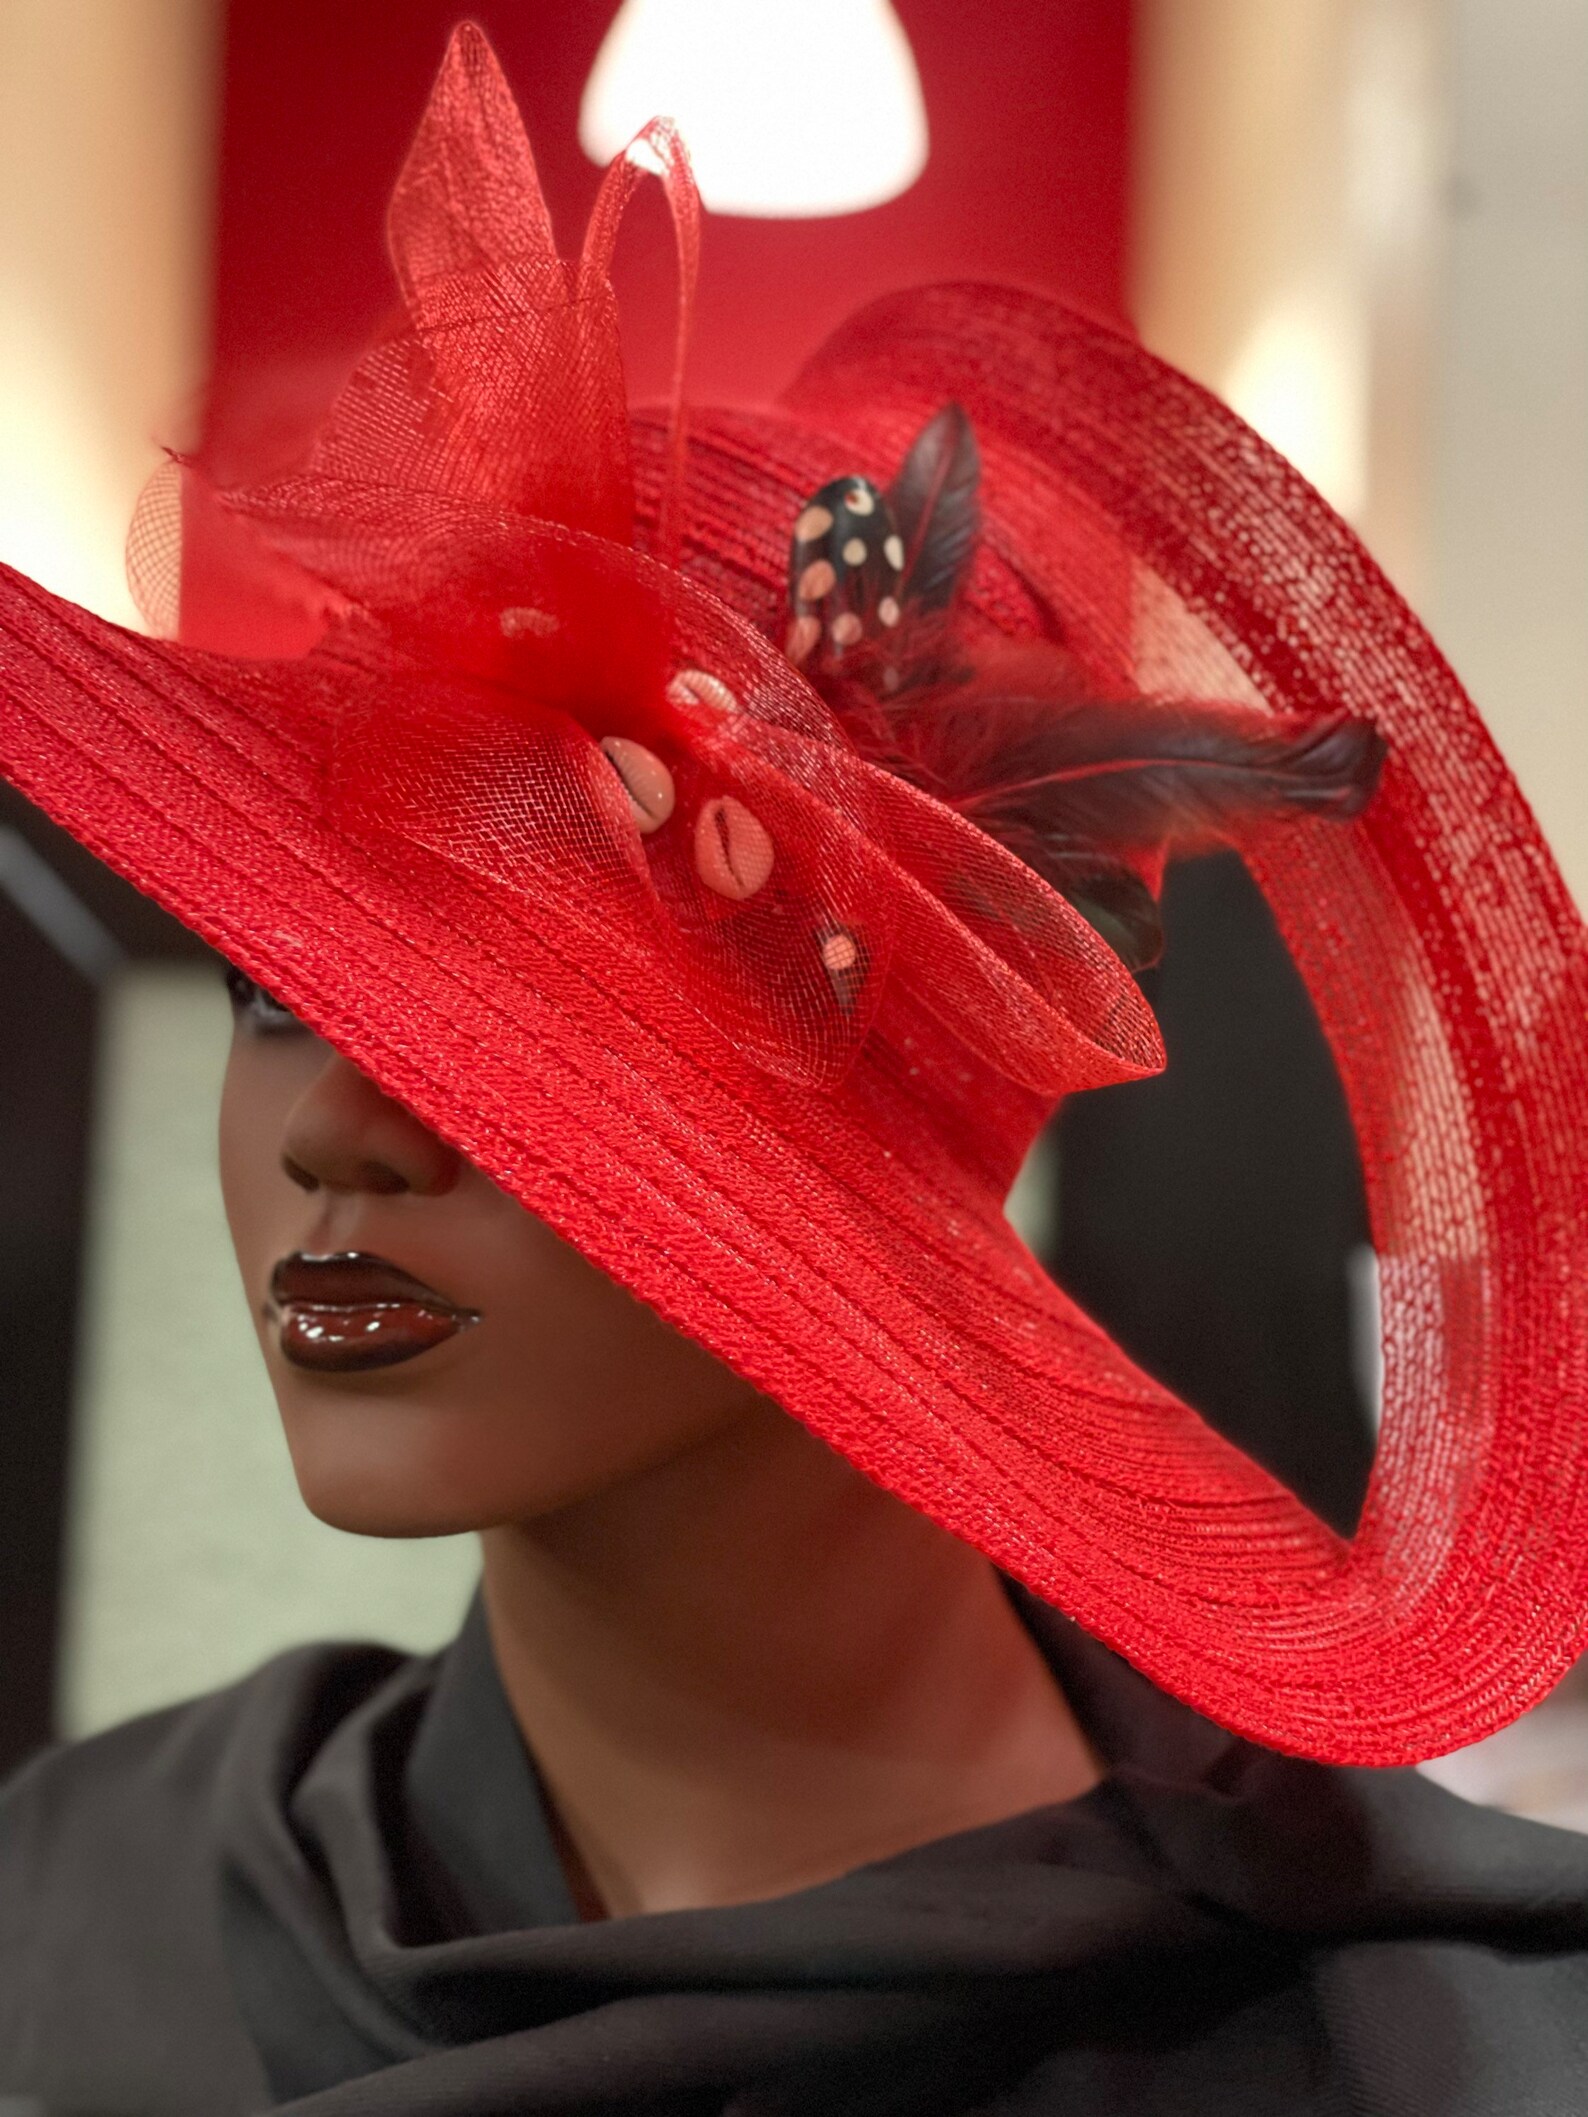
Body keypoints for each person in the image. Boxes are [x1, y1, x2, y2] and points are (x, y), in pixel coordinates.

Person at [3, 24, 1588, 2114]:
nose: (338, 1131)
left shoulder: (1429, 2053)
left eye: (548, 1023)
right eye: (292, 993)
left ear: (889, 1147)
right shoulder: (73, 1919)